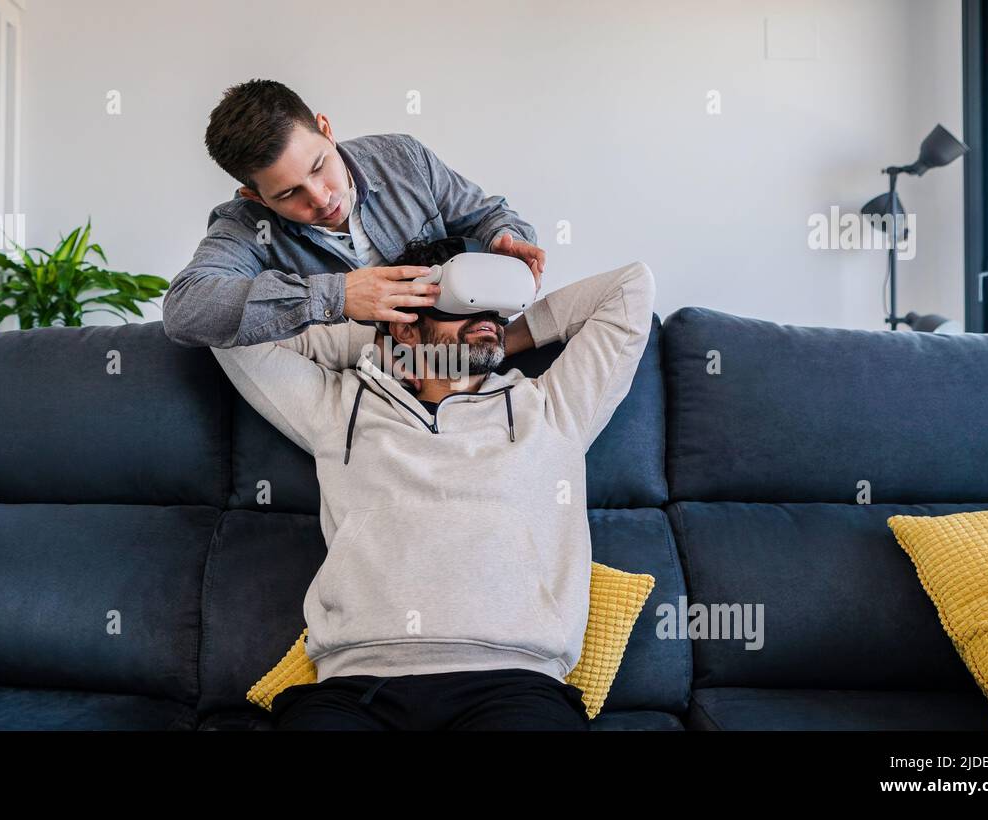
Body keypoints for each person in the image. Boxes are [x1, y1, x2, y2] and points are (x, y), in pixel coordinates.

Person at [210, 235, 657, 730]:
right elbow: (223, 328)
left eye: (493, 305)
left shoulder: (553, 408)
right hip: (358, 686)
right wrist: (379, 329)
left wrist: (498, 336)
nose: (485, 313)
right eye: (460, 300)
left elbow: (631, 286)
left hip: (513, 684)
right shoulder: (341, 409)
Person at [162, 79, 546, 350]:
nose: (321, 198)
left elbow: (488, 215)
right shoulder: (246, 224)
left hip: (469, 351)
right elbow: (185, 309)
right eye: (288, 193)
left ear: (326, 130)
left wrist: (504, 239)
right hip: (359, 386)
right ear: (256, 197)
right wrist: (337, 296)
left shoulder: (402, 157)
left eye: (317, 167)